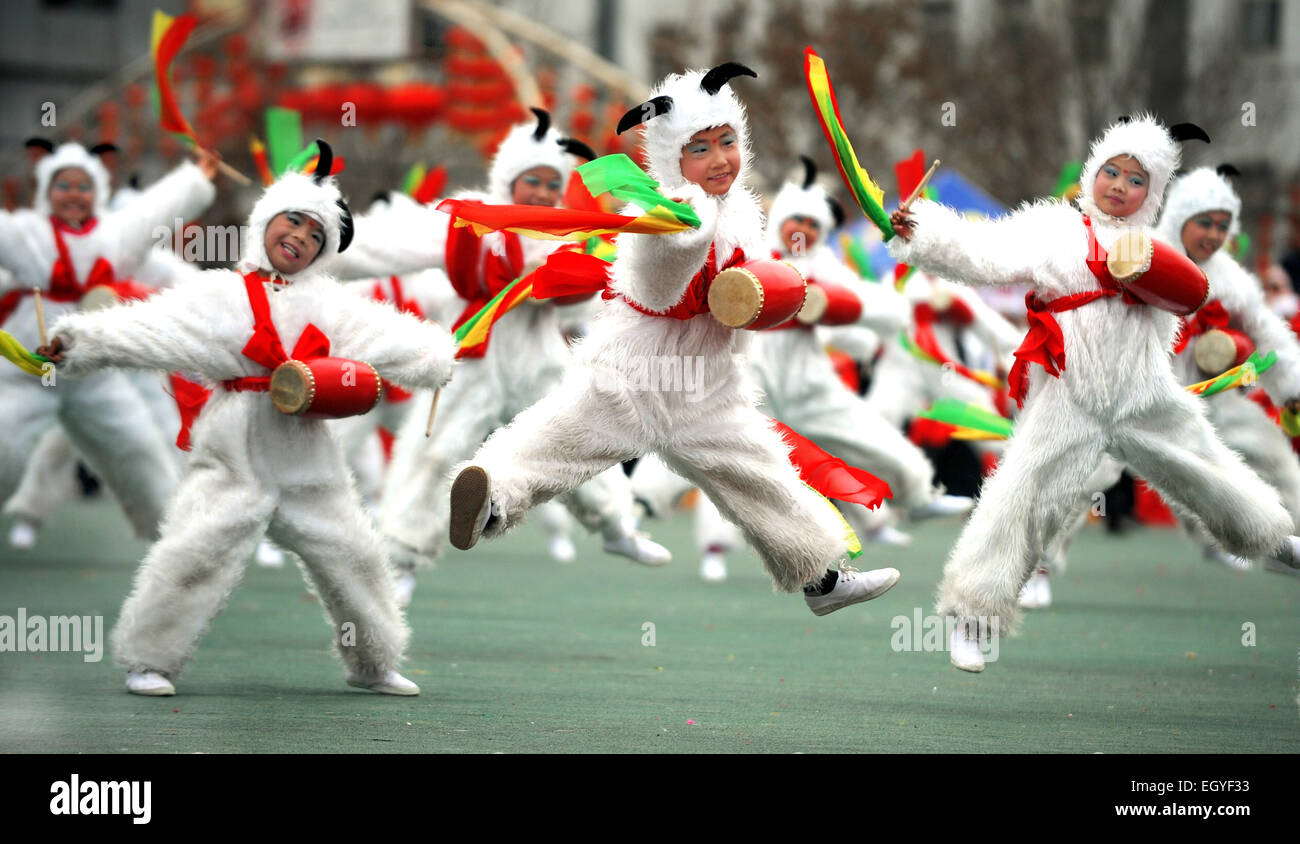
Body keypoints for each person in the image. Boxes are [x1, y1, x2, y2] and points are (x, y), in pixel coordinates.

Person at [448, 63, 901, 615]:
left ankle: (822, 578)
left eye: (727, 142)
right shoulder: (660, 213)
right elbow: (657, 286)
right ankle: (490, 498)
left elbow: (751, 286)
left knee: (762, 473)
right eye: (700, 148)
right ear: (671, 160)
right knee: (559, 440)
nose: (719, 159)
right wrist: (685, 236)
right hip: (636, 376)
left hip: (706, 387)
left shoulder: (740, 210)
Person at [38, 143, 457, 696]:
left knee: (355, 555)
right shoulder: (219, 293)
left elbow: (389, 337)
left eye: (315, 236)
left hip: (308, 456)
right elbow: (154, 328)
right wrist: (80, 341)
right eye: (293, 221)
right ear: (265, 221)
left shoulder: (333, 303)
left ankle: (373, 662)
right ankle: (149, 660)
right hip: (233, 449)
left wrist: (437, 357)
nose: (301, 238)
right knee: (195, 547)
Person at [888, 114, 1300, 671]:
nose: (1121, 186)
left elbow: (1194, 299)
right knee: (1023, 496)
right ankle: (973, 618)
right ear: (1091, 173)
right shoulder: (1055, 230)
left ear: (1152, 195)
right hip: (1069, 396)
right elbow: (985, 251)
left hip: (1142, 391)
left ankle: (1271, 538)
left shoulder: (1156, 247)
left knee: (1207, 464)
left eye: (1137, 181)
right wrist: (927, 232)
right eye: (1112, 171)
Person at [0, 141, 216, 541]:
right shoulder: (28, 232)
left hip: (94, 373)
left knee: (139, 451)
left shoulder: (116, 236)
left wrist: (194, 179)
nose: (74, 194)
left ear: (97, 192)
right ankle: (28, 516)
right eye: (63, 185)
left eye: (83, 186)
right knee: (3, 446)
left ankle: (169, 539)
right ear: (47, 190)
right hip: (26, 372)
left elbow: (154, 213)